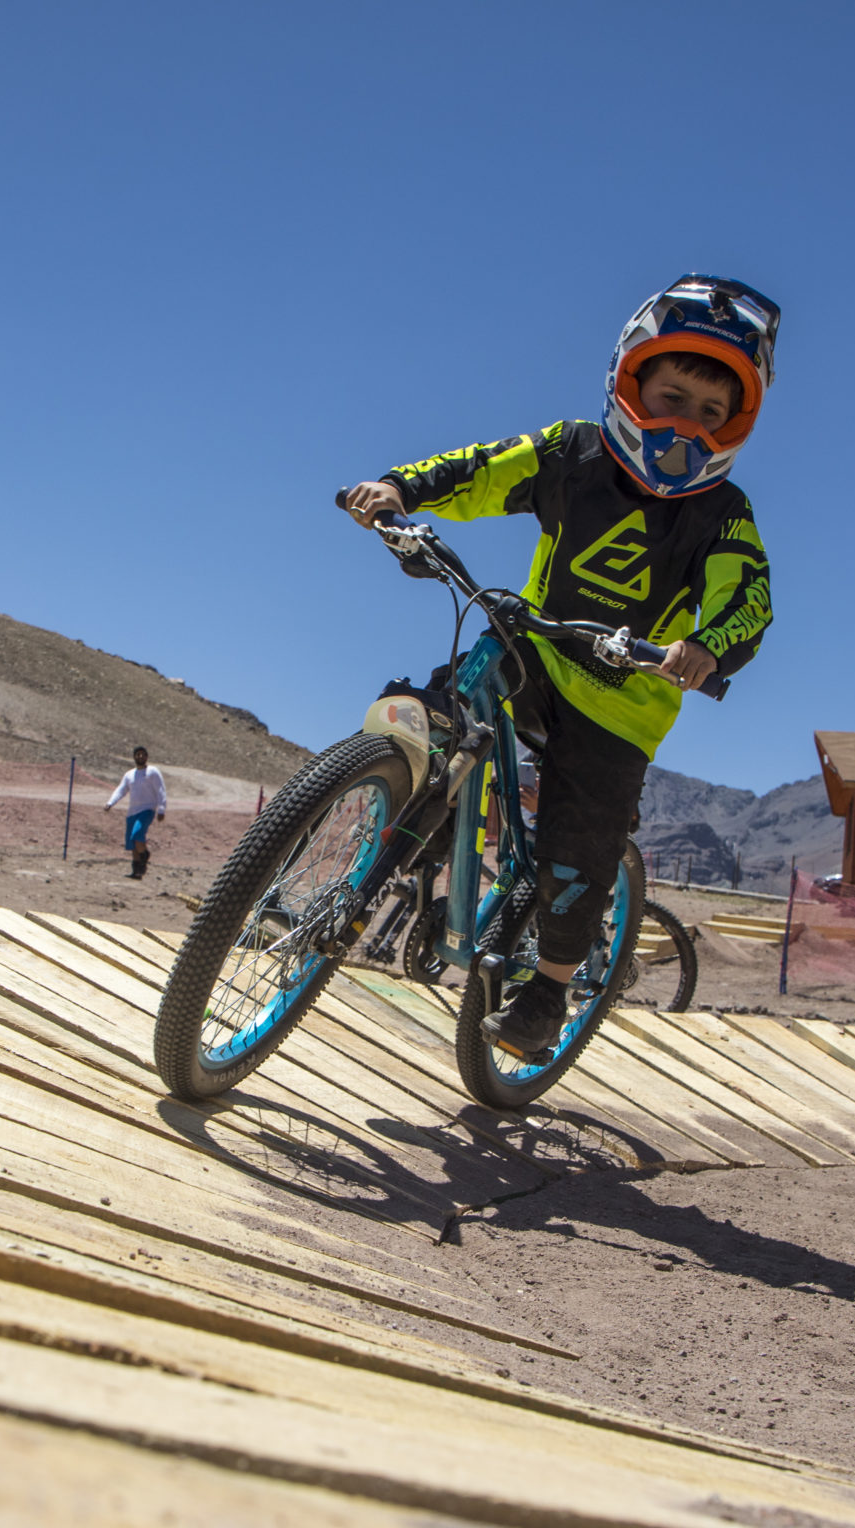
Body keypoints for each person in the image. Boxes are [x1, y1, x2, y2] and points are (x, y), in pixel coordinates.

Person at [341, 275, 779, 1059]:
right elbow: (483, 467)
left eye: (711, 411)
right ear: (628, 379)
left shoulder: (723, 513)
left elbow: (747, 597)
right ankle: (381, 825)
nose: (686, 424)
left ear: (737, 424)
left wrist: (707, 646)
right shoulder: (574, 452)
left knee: (580, 844)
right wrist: (402, 488)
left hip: (624, 703)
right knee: (441, 706)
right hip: (535, 649)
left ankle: (547, 990)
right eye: (672, 395)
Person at [103, 745, 167, 879]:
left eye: (143, 754)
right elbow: (121, 790)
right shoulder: (129, 775)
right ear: (134, 757)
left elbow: (160, 790)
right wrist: (110, 803)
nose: (140, 757)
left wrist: (161, 809)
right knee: (131, 843)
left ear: (147, 756)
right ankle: (137, 871)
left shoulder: (153, 772)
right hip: (132, 811)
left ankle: (145, 855)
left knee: (137, 834)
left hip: (147, 809)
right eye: (137, 754)